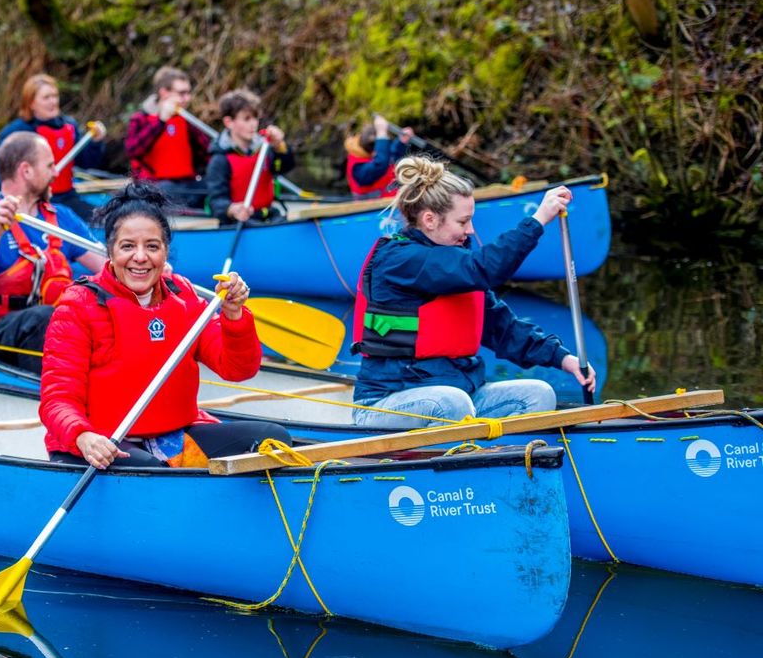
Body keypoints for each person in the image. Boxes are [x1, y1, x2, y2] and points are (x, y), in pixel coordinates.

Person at [39, 182, 291, 469]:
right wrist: (82, 435)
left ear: (165, 251)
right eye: (127, 246)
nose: (140, 257)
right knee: (153, 472)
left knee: (274, 439)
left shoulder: (182, 294)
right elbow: (56, 400)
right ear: (110, 251)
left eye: (152, 246)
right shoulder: (78, 304)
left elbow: (238, 369)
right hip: (101, 442)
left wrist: (234, 316)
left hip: (173, 434)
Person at [350, 156, 598, 429]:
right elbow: (485, 269)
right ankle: (461, 463)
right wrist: (538, 220)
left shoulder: (453, 265)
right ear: (430, 220)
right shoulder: (401, 259)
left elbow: (503, 329)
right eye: (463, 221)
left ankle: (507, 462)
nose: (470, 230)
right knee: (450, 403)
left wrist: (564, 358)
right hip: (386, 403)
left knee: (538, 394)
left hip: (456, 396)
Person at [0, 132, 108, 373]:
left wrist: (142, 268)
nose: (56, 173)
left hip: (55, 336)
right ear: (26, 171)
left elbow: (107, 268)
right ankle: (50, 395)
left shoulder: (62, 217)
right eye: (49, 166)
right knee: (41, 319)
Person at [0, 73, 107, 222]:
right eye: (46, 97)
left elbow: (87, 164)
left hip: (67, 197)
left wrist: (95, 143)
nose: (53, 101)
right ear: (31, 103)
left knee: (104, 221)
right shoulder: (17, 132)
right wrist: (14, 200)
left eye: (55, 96)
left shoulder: (69, 126)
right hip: (33, 201)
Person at [204, 89, 295, 225]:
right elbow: (216, 201)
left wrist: (279, 146)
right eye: (246, 119)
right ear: (229, 122)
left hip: (268, 215)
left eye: (255, 118)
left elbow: (284, 166)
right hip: (239, 222)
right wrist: (231, 209)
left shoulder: (264, 149)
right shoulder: (220, 160)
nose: (253, 124)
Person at [125, 66, 211, 209]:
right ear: (164, 93)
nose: (187, 98)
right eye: (182, 93)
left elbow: (208, 153)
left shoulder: (186, 120)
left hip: (187, 185)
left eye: (188, 93)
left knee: (213, 186)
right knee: (166, 189)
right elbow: (132, 150)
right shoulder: (141, 119)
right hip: (155, 187)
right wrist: (161, 121)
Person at [345, 115, 415, 198]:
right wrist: (382, 134)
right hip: (372, 208)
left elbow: (390, 156)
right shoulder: (358, 168)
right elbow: (380, 164)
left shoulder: (376, 155)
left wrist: (401, 142)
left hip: (393, 203)